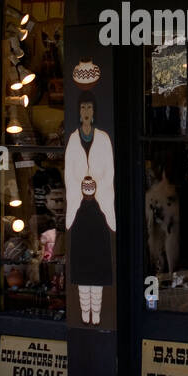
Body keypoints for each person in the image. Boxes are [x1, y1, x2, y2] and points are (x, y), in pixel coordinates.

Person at [65, 90, 115, 324]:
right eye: (83, 107)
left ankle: (98, 313)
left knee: (99, 262)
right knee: (83, 263)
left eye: (89, 107)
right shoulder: (73, 140)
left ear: (95, 111)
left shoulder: (104, 138)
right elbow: (68, 173)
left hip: (100, 210)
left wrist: (96, 185)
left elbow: (110, 171)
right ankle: (85, 312)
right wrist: (80, 187)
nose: (86, 112)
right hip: (79, 211)